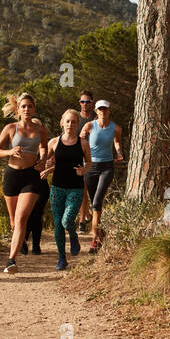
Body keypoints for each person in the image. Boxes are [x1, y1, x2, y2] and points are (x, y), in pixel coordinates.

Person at [0, 92, 49, 273]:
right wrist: (10, 152)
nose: (27, 109)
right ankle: (19, 241)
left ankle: (11, 261)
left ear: (34, 109)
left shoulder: (40, 130)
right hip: (12, 176)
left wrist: (43, 159)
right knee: (14, 223)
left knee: (21, 218)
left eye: (30, 106)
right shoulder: (10, 128)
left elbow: (44, 146)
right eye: (23, 106)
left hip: (31, 177)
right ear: (18, 109)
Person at [41, 109, 89, 270]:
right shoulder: (54, 142)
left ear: (77, 124)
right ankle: (62, 258)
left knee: (66, 220)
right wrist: (46, 168)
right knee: (58, 224)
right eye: (67, 121)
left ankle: (74, 236)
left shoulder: (82, 143)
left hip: (75, 188)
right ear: (62, 123)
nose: (70, 124)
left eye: (73, 122)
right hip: (57, 188)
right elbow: (46, 161)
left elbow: (89, 163)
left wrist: (84, 170)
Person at [78, 99, 123, 254]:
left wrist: (119, 152)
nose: (103, 111)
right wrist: (82, 137)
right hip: (91, 166)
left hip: (107, 166)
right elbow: (81, 141)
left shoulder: (115, 128)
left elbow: (117, 141)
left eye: (105, 109)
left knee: (97, 202)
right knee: (94, 203)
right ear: (96, 111)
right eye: (100, 109)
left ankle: (94, 240)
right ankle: (100, 230)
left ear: (109, 110)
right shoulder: (90, 125)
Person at [74, 90, 96, 232]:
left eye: (87, 101)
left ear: (92, 103)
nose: (84, 104)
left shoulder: (96, 118)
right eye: (82, 101)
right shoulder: (76, 118)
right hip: (79, 156)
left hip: (94, 156)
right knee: (82, 189)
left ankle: (90, 216)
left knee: (92, 189)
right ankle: (82, 220)